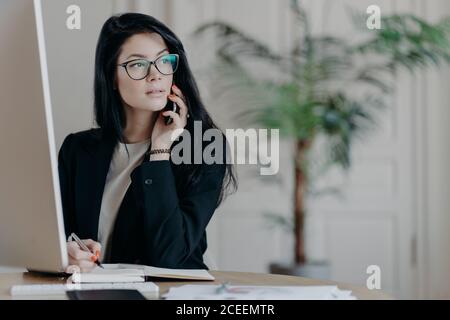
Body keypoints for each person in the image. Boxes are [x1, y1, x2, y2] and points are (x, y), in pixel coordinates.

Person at [58, 13, 236, 273]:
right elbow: (55, 236)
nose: (155, 75)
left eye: (164, 61)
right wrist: (66, 251)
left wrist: (160, 149)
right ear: (111, 78)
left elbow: (170, 257)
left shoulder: (204, 147)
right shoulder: (77, 150)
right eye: (138, 64)